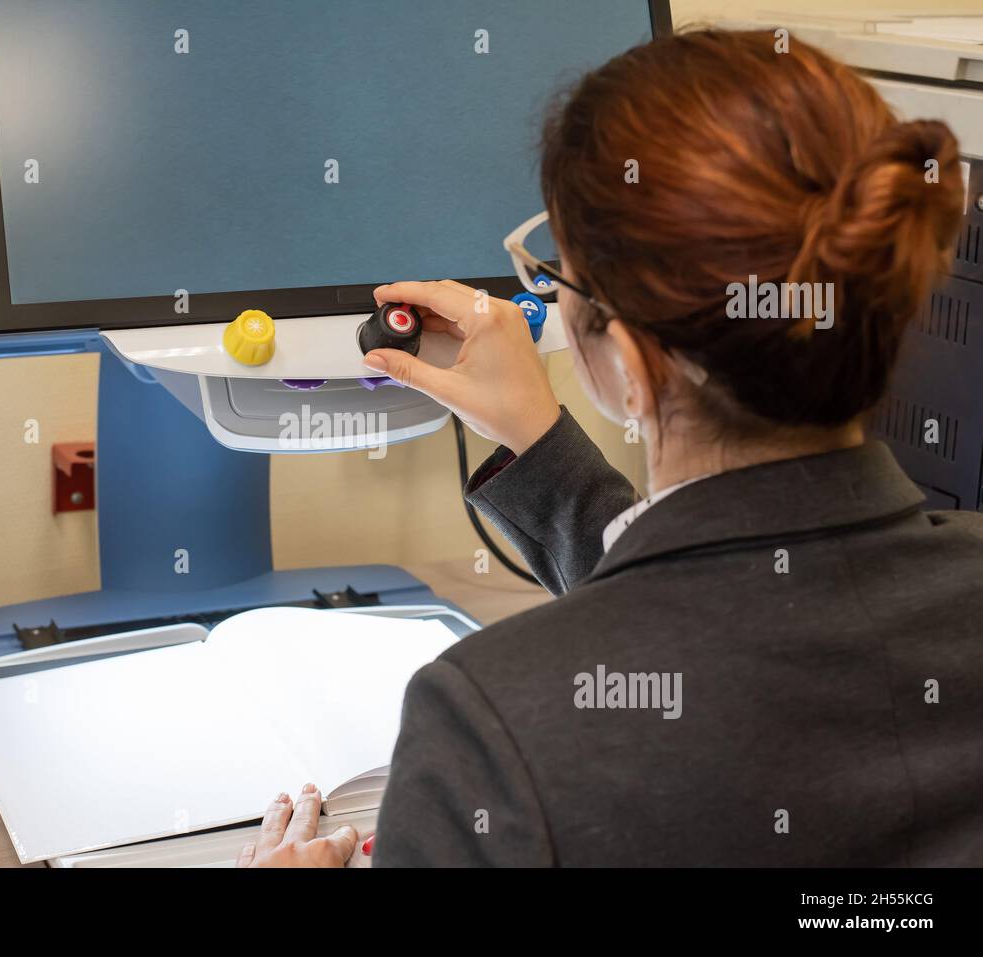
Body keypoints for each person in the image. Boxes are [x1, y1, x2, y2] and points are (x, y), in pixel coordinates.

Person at [235, 29, 983, 868]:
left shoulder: (491, 724)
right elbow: (734, 622)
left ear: (630, 363)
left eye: (555, 272)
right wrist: (538, 439)